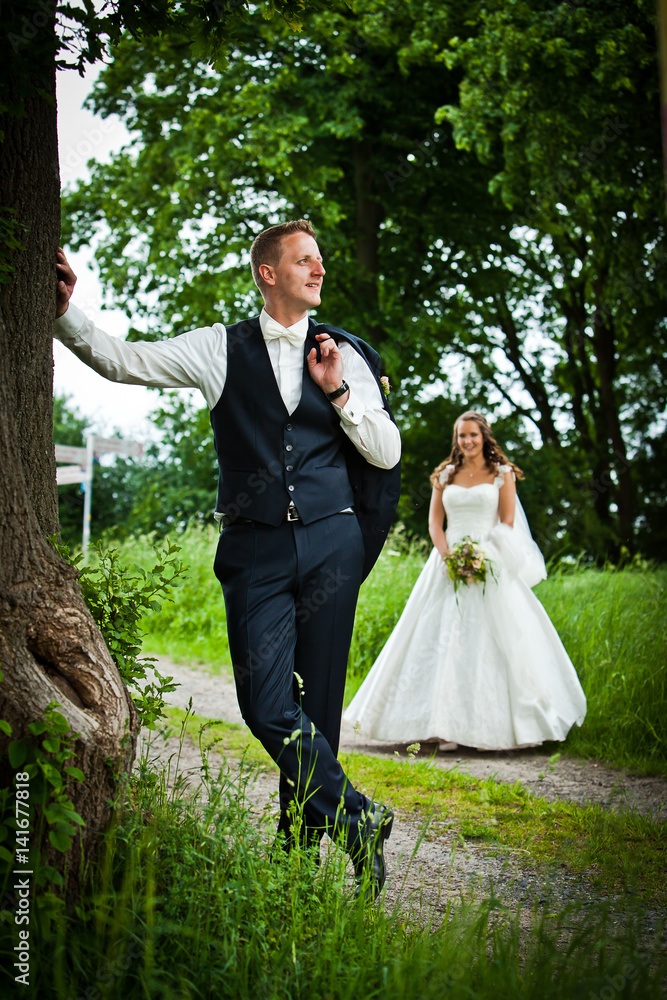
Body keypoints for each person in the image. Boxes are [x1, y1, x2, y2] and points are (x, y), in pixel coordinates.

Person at [54, 219, 401, 898]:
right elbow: (125, 360)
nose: (319, 270)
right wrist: (66, 315)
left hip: (332, 540)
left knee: (319, 707)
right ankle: (357, 819)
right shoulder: (219, 349)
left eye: (321, 260)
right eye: (305, 260)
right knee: (266, 703)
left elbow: (385, 453)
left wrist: (337, 392)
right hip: (256, 549)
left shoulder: (345, 353)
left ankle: (298, 865)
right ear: (268, 273)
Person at [345, 411, 586, 752]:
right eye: (461, 436)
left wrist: (482, 558)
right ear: (456, 439)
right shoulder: (445, 474)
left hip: (489, 561)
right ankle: (437, 726)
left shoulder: (502, 474)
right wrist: (449, 558)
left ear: (484, 436)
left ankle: (497, 727)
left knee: (496, 642)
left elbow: (506, 523)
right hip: (446, 564)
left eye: (473, 435)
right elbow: (434, 525)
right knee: (434, 641)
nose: (467, 441)